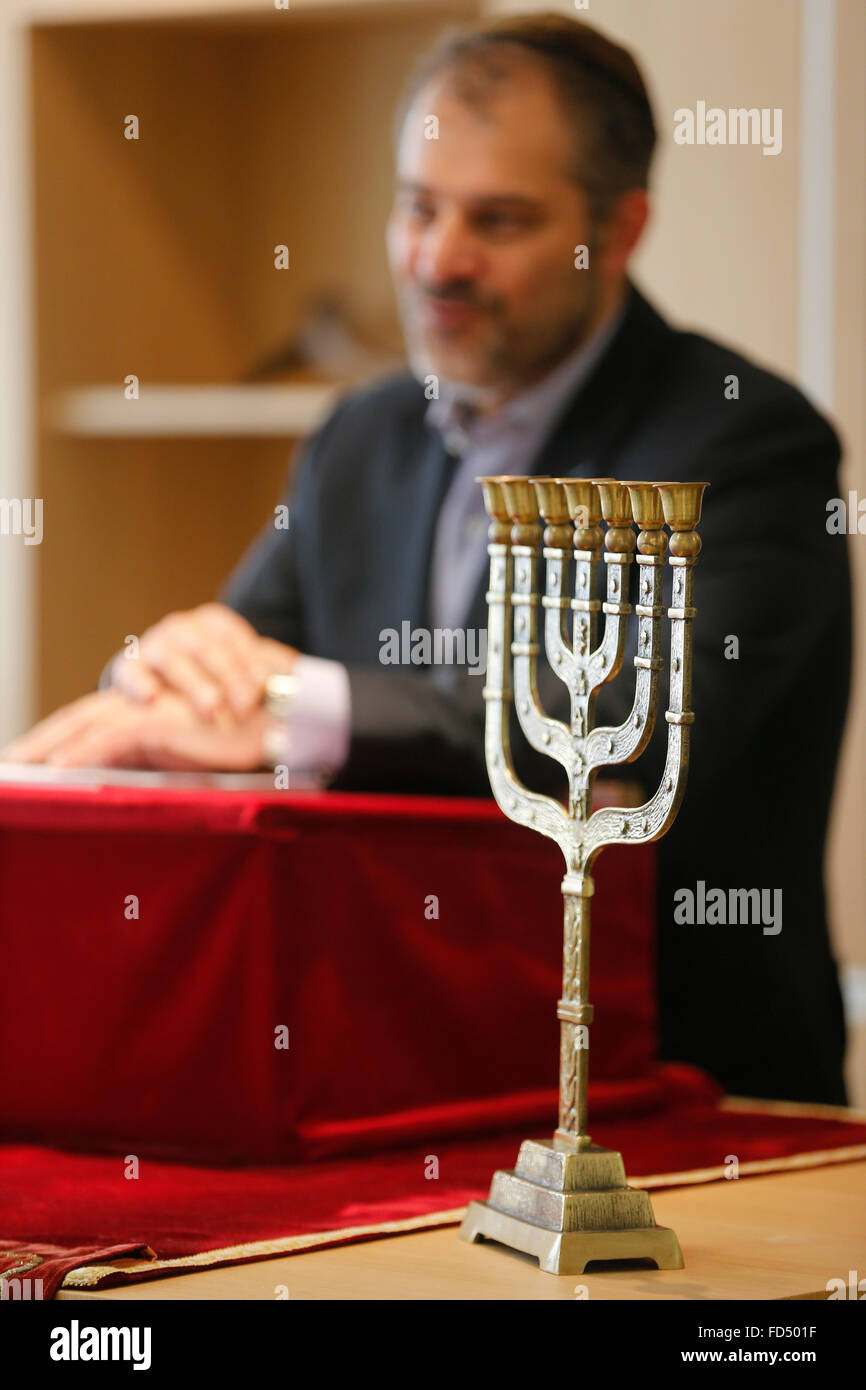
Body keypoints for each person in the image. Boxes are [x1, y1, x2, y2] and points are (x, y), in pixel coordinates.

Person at [2, 13, 851, 1107]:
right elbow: (236, 679)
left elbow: (628, 726)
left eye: (497, 220)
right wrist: (170, 678)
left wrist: (290, 701)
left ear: (620, 228)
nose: (437, 261)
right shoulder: (358, 436)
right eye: (417, 206)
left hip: (686, 1100)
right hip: (387, 1082)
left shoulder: (740, 439)